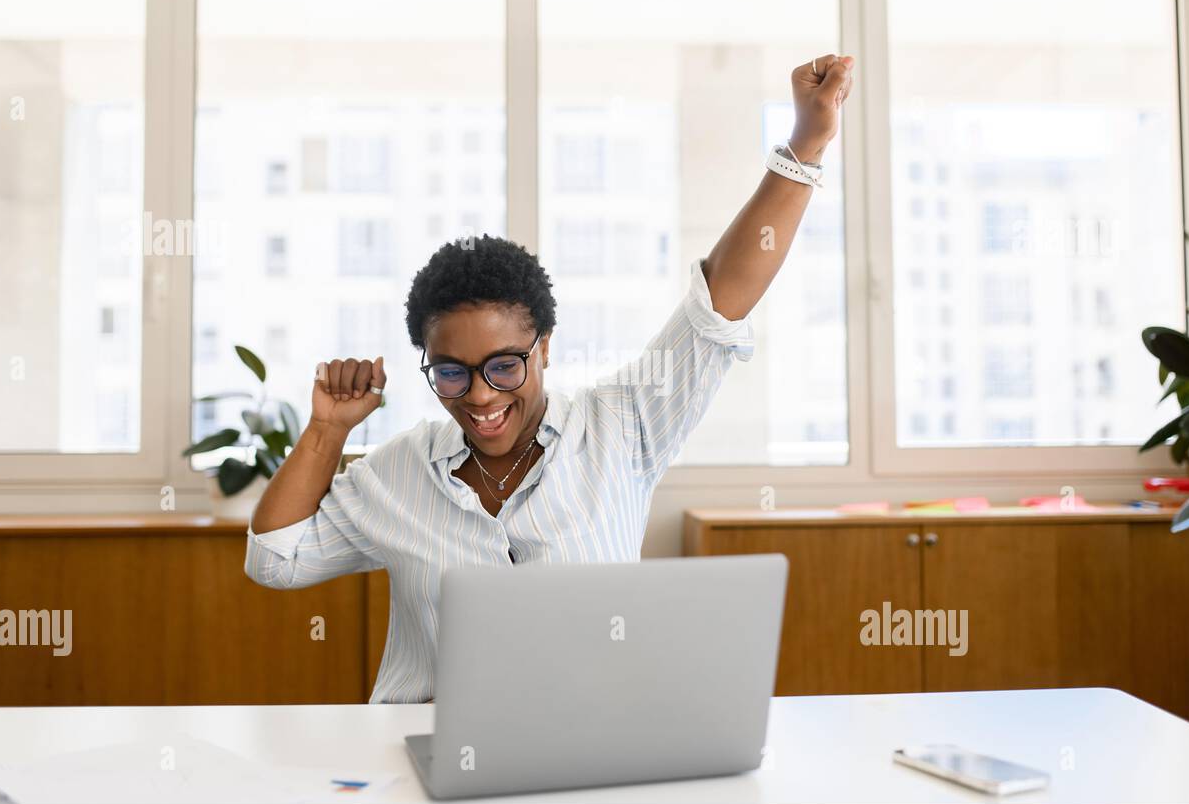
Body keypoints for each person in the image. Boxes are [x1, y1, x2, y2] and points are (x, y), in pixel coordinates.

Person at [245, 55, 856, 703]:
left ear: (544, 349)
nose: (480, 395)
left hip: (587, 749)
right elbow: (275, 562)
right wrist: (326, 430)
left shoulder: (623, 426)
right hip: (423, 752)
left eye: (504, 365)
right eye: (451, 373)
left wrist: (806, 143)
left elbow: (719, 304)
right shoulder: (398, 473)